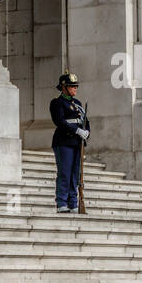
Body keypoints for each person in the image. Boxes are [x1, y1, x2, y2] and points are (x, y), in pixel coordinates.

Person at [50, 72, 90, 213]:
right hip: (64, 141)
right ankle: (62, 202)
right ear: (64, 88)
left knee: (75, 174)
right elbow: (60, 122)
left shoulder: (78, 104)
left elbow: (86, 122)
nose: (75, 88)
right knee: (65, 173)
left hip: (77, 143)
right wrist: (77, 131)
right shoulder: (57, 103)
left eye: (75, 86)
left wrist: (86, 132)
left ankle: (73, 203)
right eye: (72, 86)